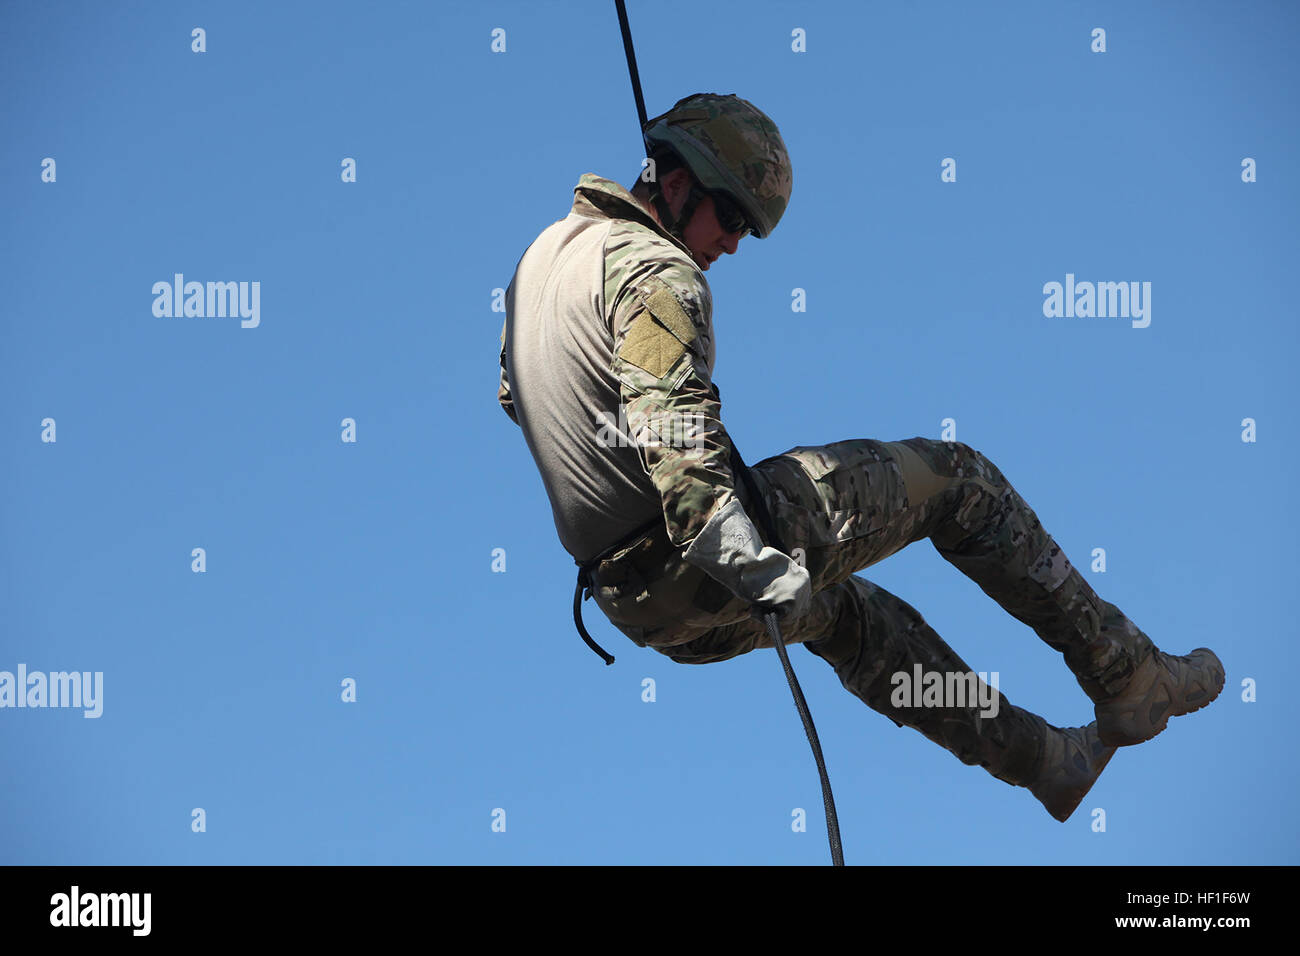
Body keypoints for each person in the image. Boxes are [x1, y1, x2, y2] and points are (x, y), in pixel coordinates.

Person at [497, 92, 1225, 822]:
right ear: (677, 181)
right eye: (732, 216)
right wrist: (745, 558)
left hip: (639, 610)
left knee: (853, 620)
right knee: (959, 481)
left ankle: (1047, 762)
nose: (734, 245)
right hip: (701, 555)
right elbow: (676, 445)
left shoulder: (540, 264)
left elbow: (513, 396)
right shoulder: (659, 273)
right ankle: (1128, 677)